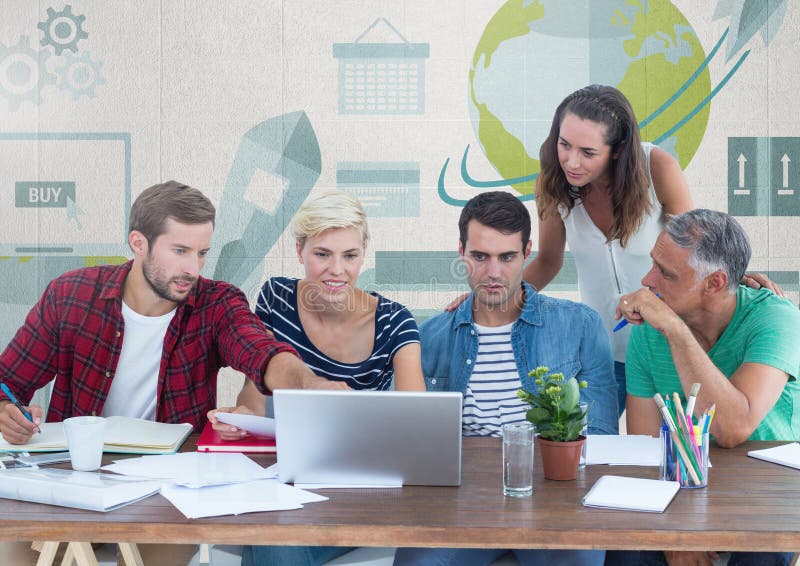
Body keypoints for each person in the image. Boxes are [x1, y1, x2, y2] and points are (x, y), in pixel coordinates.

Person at [450, 84, 779, 415]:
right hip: (601, 350)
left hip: (659, 346)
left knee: (676, 446)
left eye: (588, 152)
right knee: (590, 446)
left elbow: (692, 252)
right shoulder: (552, 182)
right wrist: (495, 293)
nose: (571, 161)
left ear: (618, 149)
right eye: (564, 145)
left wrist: (735, 276)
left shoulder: (658, 168)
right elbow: (549, 262)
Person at [0, 180, 336, 445]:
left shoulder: (217, 303)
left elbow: (261, 353)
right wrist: (7, 414)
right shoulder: (70, 295)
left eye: (202, 253)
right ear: (138, 243)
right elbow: (7, 382)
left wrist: (311, 385)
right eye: (179, 251)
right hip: (77, 466)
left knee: (180, 534)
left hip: (173, 476)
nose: (192, 268)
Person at [394, 191, 618, 566]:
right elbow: (404, 442)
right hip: (460, 509)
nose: (493, 272)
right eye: (480, 257)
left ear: (527, 252)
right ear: (461, 252)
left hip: (554, 508)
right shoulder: (427, 338)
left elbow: (603, 436)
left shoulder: (580, 326)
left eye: (507, 257)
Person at [218, 190, 425, 566]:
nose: (337, 270)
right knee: (265, 536)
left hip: (360, 486)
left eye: (350, 255)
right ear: (300, 252)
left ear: (364, 252)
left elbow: (417, 427)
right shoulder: (276, 298)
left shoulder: (394, 321)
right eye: (322, 254)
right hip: (287, 475)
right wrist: (243, 417)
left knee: (272, 544)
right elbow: (255, 391)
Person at [616, 209, 800, 566]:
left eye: (665, 273)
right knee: (623, 553)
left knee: (762, 558)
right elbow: (644, 449)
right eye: (653, 263)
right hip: (680, 493)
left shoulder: (776, 319)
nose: (647, 279)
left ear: (714, 283)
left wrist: (672, 327)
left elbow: (732, 428)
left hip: (766, 498)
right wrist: (675, 533)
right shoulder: (646, 333)